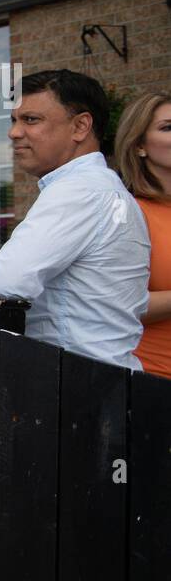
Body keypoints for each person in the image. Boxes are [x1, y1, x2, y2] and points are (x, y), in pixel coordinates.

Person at [0, 69, 149, 370]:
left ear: (81, 126)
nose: (14, 132)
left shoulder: (81, 190)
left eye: (31, 120)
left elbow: (6, 280)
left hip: (78, 386)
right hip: (99, 380)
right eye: (14, 120)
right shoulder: (101, 188)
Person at [114, 90, 171, 379]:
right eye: (168, 127)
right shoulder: (129, 213)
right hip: (155, 379)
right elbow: (118, 303)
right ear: (139, 146)